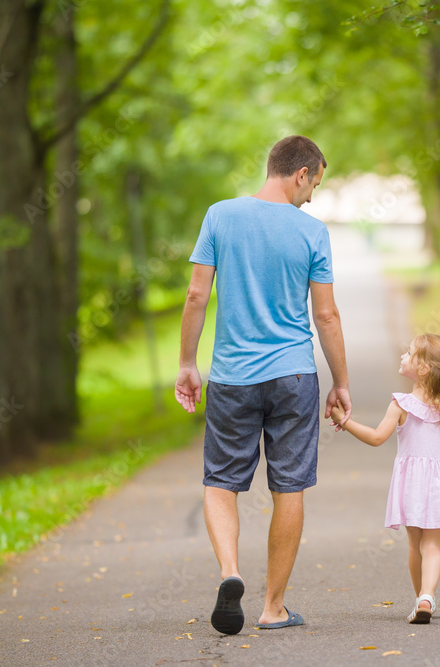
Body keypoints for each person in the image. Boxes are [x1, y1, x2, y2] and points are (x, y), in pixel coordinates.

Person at [174, 135, 352, 635]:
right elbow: (327, 315)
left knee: (221, 482)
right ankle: (273, 607)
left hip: (232, 376)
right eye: (314, 184)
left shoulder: (220, 216)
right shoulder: (312, 232)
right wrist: (341, 381)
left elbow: (196, 296)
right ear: (301, 173)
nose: (312, 197)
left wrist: (187, 363)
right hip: (293, 375)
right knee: (289, 486)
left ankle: (230, 572)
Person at [330, 333, 440, 624]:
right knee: (432, 546)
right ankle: (426, 597)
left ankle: (421, 599)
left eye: (409, 352)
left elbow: (376, 437)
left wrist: (345, 421)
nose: (403, 356)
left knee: (414, 545)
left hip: (412, 486)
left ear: (423, 369)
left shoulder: (401, 404)